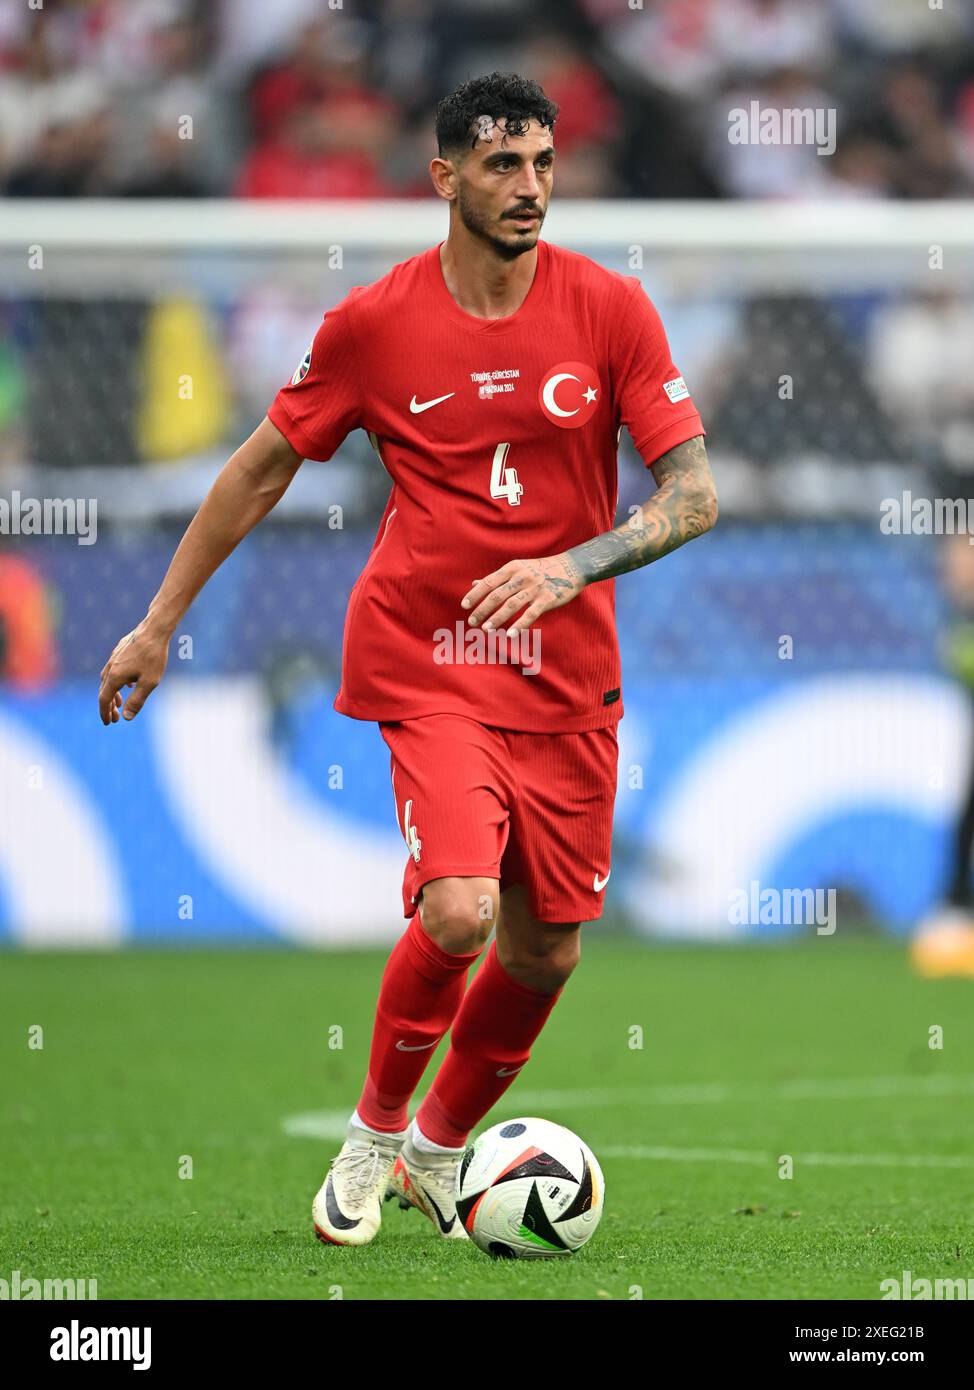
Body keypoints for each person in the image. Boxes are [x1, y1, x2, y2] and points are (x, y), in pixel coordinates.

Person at [98, 71, 717, 1245]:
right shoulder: (375, 325)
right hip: (429, 658)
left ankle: (438, 1154)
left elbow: (694, 496)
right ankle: (373, 1136)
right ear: (442, 178)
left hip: (567, 672)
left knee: (545, 949)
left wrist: (570, 567)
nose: (529, 185)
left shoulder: (612, 310)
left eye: (541, 162)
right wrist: (159, 618)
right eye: (500, 165)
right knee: (460, 911)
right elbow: (259, 468)